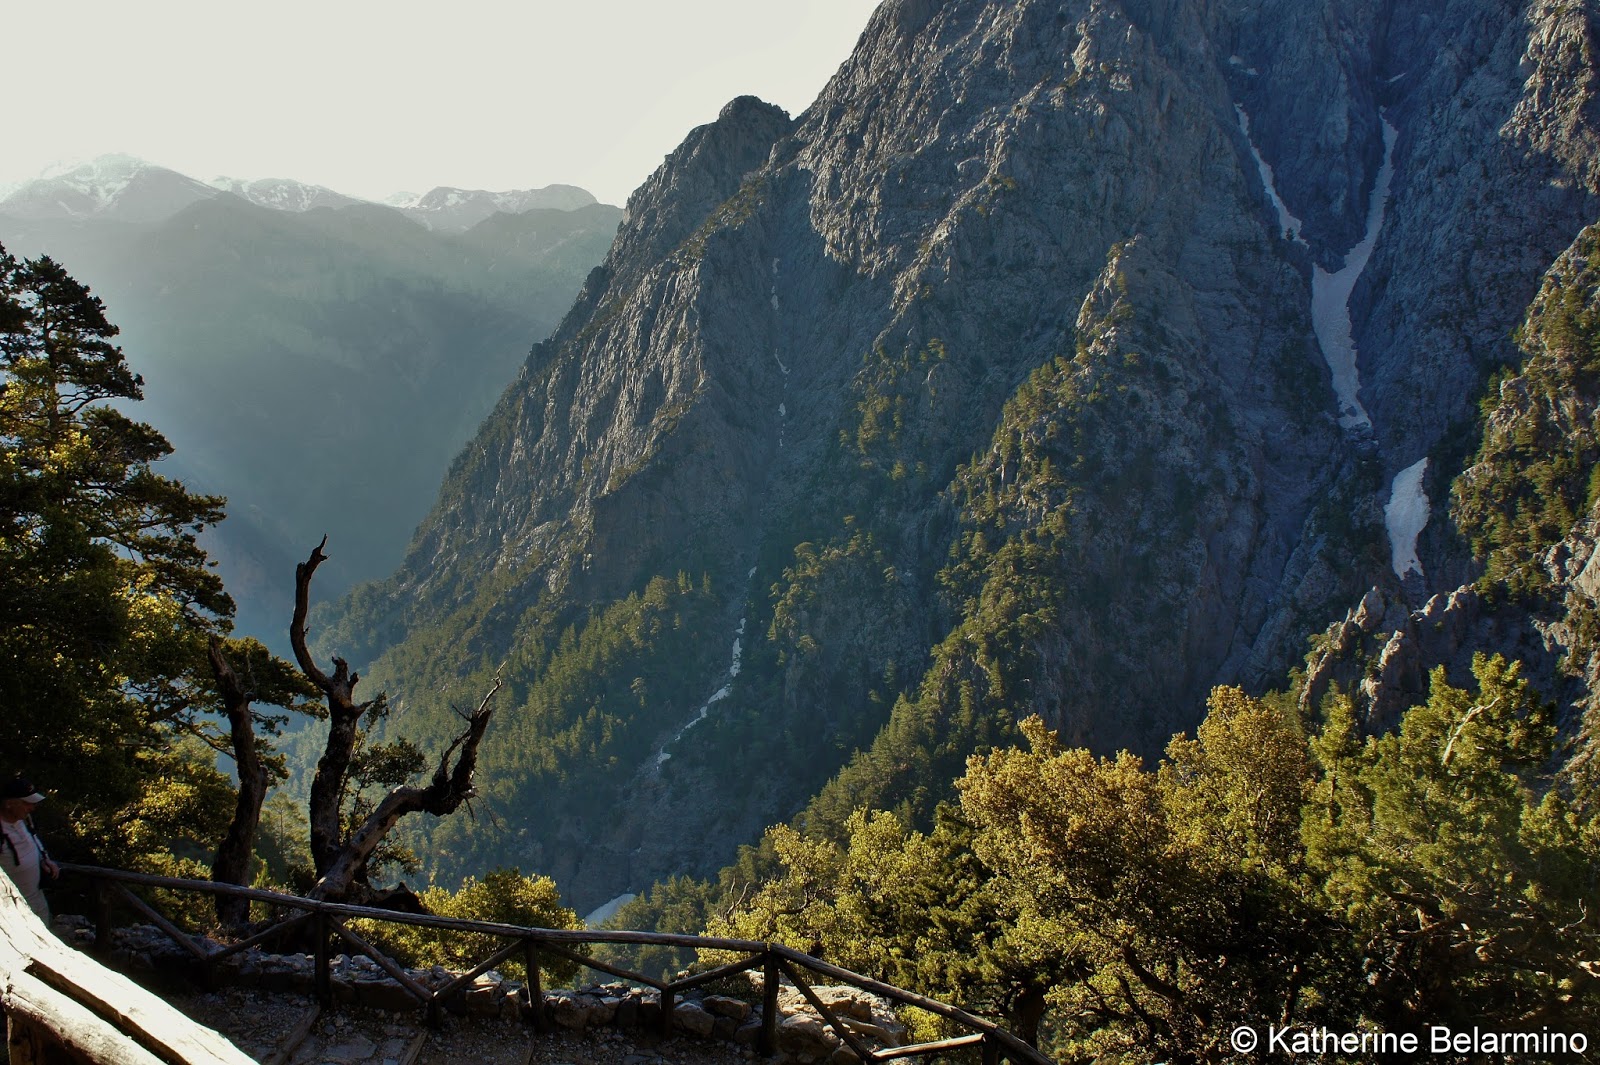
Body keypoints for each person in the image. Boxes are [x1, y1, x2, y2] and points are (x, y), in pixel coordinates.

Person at [1, 777, 59, 921]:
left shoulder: (24, 819)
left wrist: (44, 859)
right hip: (14, 911)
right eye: (27, 803)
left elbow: (33, 839)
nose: (32, 808)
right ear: (9, 804)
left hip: (37, 898)